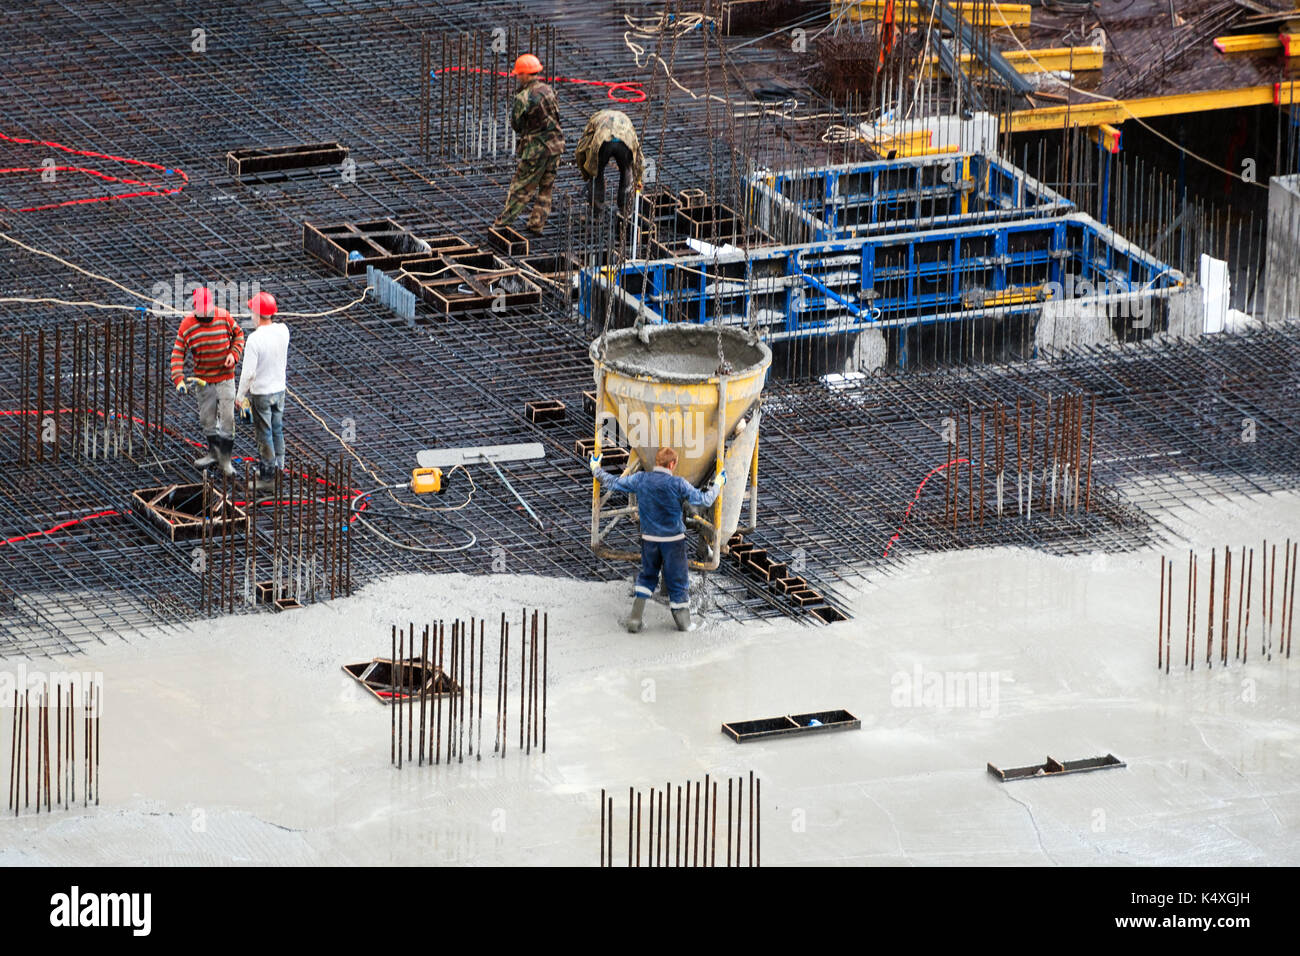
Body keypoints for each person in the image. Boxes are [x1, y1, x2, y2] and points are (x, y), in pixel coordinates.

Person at [590, 447, 725, 633]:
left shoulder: (641, 479)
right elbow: (705, 500)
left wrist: (595, 468)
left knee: (647, 576)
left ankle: (635, 619)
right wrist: (718, 483)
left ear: (656, 462)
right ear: (672, 464)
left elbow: (613, 483)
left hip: (649, 539)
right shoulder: (678, 484)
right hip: (674, 541)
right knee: (678, 580)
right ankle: (684, 624)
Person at [170, 286, 244, 476]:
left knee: (227, 419)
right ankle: (213, 453)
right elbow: (178, 352)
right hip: (203, 380)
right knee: (207, 420)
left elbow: (239, 336)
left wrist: (233, 355)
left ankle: (225, 461)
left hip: (225, 378)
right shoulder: (188, 325)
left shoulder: (224, 317)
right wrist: (178, 378)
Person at [493, 53, 564, 237]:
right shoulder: (549, 90)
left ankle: (502, 225)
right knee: (546, 187)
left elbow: (516, 125)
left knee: (521, 187)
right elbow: (556, 116)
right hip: (556, 146)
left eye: (518, 74)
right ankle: (536, 224)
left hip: (536, 150)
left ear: (525, 74)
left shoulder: (523, 97)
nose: (517, 77)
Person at [235, 291, 289, 493]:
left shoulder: (255, 340)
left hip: (262, 394)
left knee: (264, 433)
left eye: (252, 312)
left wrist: (240, 397)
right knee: (277, 429)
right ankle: (279, 469)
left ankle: (268, 477)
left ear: (258, 314)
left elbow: (248, 374)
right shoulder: (283, 331)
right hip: (280, 391)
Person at [575, 108, 644, 217]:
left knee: (597, 173)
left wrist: (587, 173)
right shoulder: (625, 120)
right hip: (624, 142)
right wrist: (639, 178)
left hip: (604, 142)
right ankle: (626, 211)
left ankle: (597, 213)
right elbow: (638, 154)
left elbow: (581, 150)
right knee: (627, 170)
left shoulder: (594, 120)